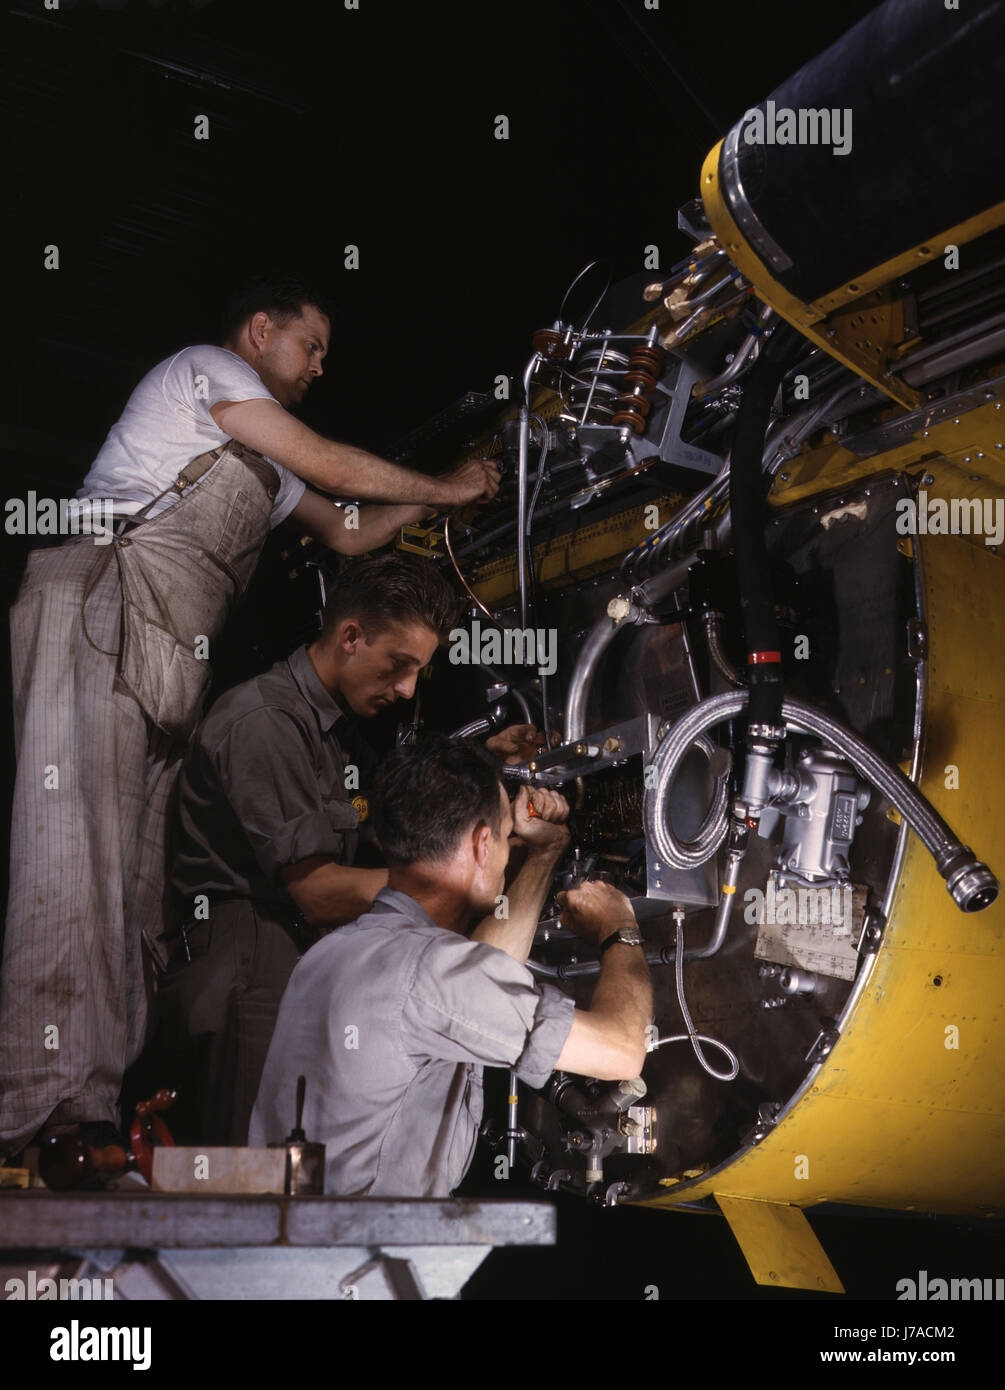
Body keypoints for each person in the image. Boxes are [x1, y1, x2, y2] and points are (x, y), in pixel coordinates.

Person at [0, 273, 500, 1156]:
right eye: (309, 346)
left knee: (129, 888)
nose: (316, 368)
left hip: (159, 647)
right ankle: (39, 1117)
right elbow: (331, 463)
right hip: (99, 601)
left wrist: (434, 499)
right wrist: (451, 485)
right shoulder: (204, 373)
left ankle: (90, 1113)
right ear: (259, 330)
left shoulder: (263, 472)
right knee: (70, 854)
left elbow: (347, 528)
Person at [160, 553, 545, 1144]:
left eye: (419, 671)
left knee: (300, 1166)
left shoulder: (332, 727)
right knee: (254, 1175)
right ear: (350, 636)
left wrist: (484, 763)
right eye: (399, 665)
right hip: (247, 954)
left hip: (292, 948)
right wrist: (466, 872)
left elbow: (396, 816)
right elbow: (318, 891)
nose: (408, 687)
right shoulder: (264, 723)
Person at [250, 737, 653, 1197]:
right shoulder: (429, 974)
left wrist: (545, 854)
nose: (507, 852)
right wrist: (619, 928)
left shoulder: (330, 954)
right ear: (483, 845)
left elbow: (481, 977)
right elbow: (621, 1049)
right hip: (364, 1255)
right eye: (505, 839)